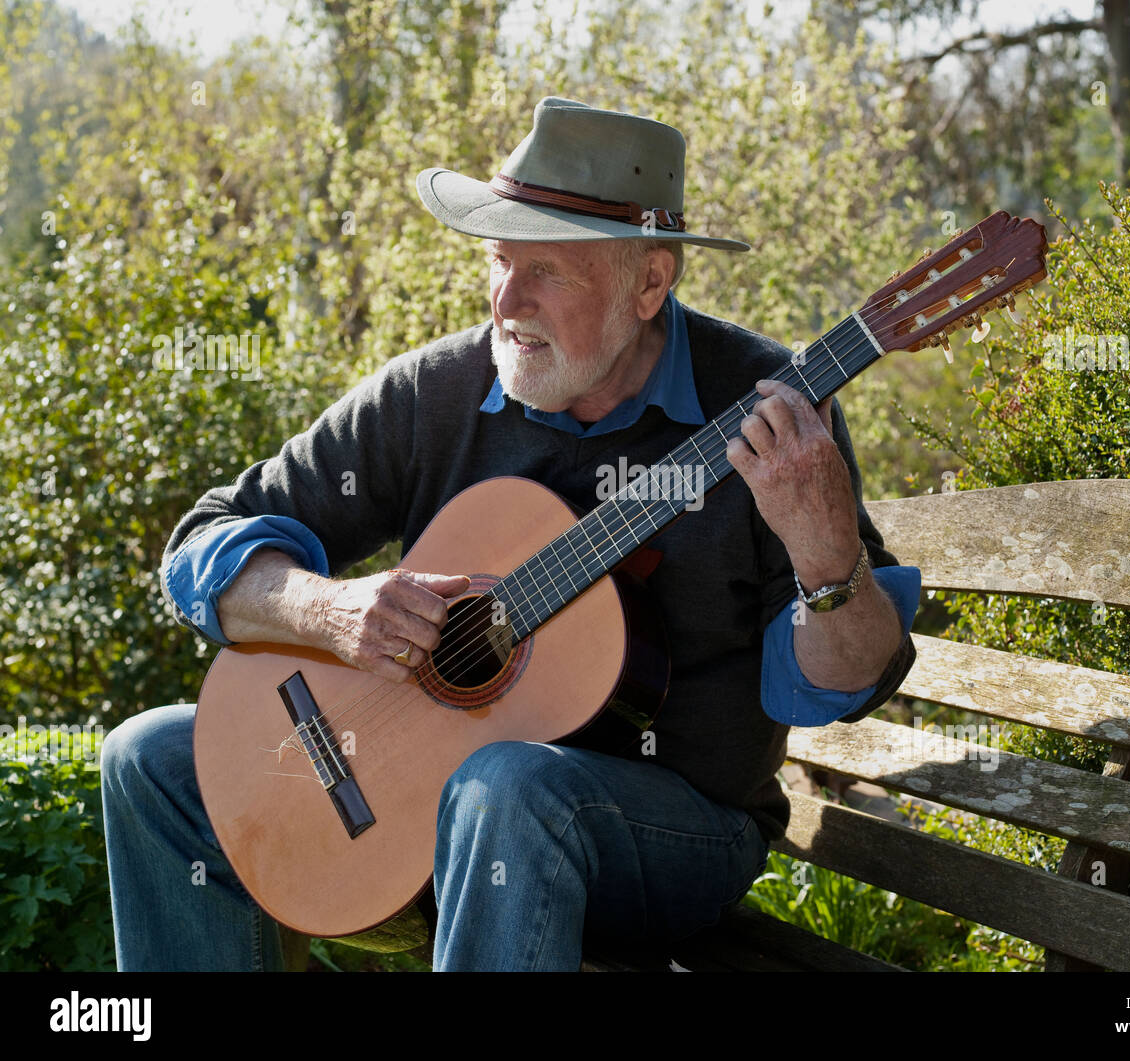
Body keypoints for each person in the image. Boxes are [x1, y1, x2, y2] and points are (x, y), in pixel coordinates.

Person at [101, 96, 921, 971]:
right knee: (147, 759)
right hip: (437, 804)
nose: (507, 300)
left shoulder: (772, 410)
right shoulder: (435, 394)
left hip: (677, 829)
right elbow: (202, 543)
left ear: (650, 282)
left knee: (508, 785)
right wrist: (326, 610)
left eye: (547, 272)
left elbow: (850, 683)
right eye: (498, 260)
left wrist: (824, 550)